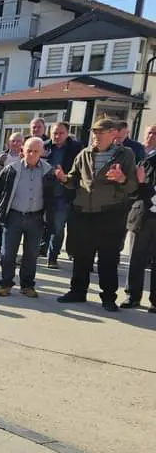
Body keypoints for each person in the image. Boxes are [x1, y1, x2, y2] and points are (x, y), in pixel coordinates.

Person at [54, 118, 138, 311]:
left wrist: (122, 178)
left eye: (101, 133)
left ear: (113, 134)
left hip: (111, 213)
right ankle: (78, 291)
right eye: (95, 132)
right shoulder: (84, 154)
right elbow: (74, 179)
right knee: (82, 255)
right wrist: (64, 178)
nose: (97, 136)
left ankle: (108, 297)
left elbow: (133, 186)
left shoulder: (125, 155)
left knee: (108, 258)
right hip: (84, 212)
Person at [0, 137, 56, 298]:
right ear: (22, 151)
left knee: (31, 254)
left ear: (42, 152)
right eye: (29, 150)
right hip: (14, 216)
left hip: (36, 218)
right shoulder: (11, 169)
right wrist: (2, 212)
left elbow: (52, 196)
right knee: (8, 253)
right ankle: (5, 284)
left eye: (36, 151)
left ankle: (27, 285)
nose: (32, 154)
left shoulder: (48, 171)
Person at [42, 122, 83, 269]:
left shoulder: (76, 148)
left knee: (57, 227)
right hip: (44, 193)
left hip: (64, 193)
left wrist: (66, 177)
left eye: (61, 133)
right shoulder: (44, 147)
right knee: (41, 225)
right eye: (55, 133)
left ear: (67, 134)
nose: (57, 136)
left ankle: (52, 257)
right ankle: (36, 252)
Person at [122, 149, 156, 311]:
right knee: (136, 258)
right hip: (143, 216)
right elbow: (134, 191)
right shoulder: (147, 162)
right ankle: (133, 296)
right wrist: (140, 182)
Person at [0, 133, 25, 254]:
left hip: (17, 195)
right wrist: (0, 163)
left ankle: (10, 247)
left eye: (18, 141)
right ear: (8, 143)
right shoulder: (1, 156)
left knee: (13, 223)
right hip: (1, 194)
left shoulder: (26, 156)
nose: (15, 143)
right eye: (13, 141)